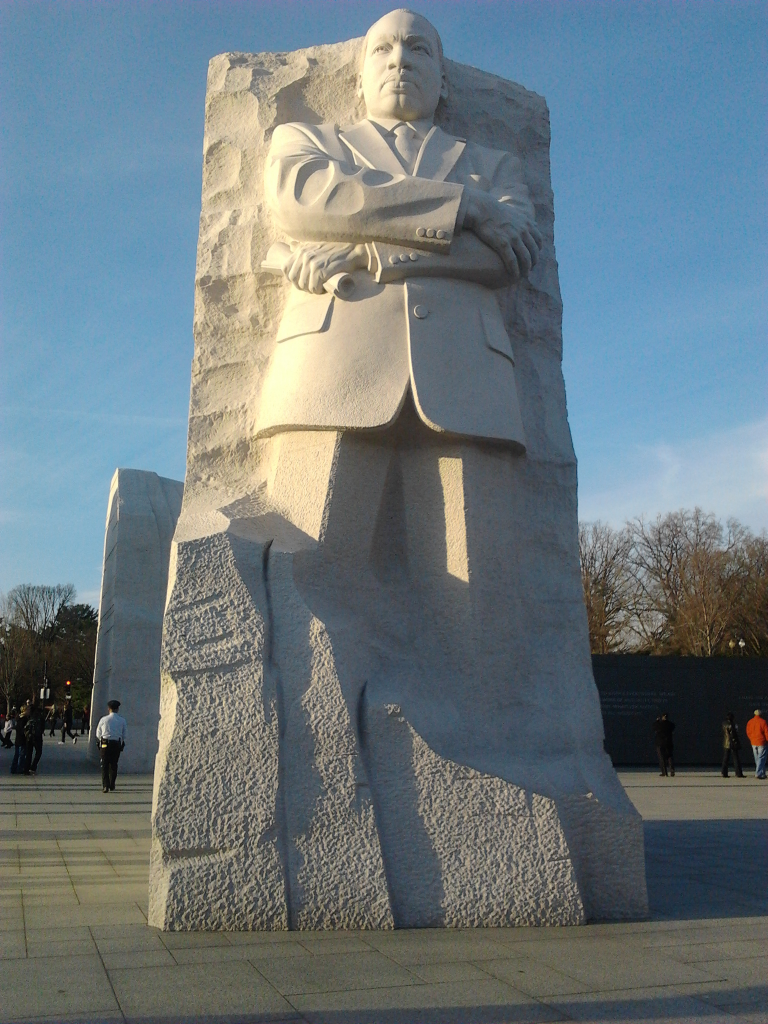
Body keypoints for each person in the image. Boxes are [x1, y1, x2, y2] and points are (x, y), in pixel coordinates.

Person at [95, 699, 127, 792]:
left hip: (105, 744)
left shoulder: (103, 719)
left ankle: (105, 786)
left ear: (109, 709)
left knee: (104, 765)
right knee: (114, 764)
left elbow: (98, 733)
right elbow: (125, 735)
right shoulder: (122, 720)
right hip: (116, 744)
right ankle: (112, 783)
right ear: (117, 709)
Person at [745, 709, 768, 780]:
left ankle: (762, 772)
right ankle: (758, 773)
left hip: (753, 742)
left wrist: (751, 738)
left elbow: (748, 731)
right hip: (762, 742)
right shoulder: (763, 722)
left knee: (757, 758)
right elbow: (766, 732)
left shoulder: (750, 721)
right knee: (762, 758)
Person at [721, 712, 744, 778]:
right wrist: (736, 742)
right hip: (733, 743)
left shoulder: (724, 724)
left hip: (726, 743)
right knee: (736, 758)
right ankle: (738, 773)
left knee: (725, 758)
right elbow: (733, 735)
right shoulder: (732, 725)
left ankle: (724, 772)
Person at [653, 712, 675, 777]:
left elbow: (654, 727)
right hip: (668, 742)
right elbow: (673, 727)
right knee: (670, 756)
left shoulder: (659, 724)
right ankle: (672, 770)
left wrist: (657, 721)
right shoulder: (671, 724)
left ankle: (664, 772)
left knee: (661, 758)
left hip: (660, 743)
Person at [11, 704, 30, 774]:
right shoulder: (24, 719)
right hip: (22, 740)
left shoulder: (19, 718)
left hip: (18, 739)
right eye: (28, 710)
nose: (29, 711)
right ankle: (19, 768)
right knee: (21, 755)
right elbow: (22, 730)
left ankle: (13, 768)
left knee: (17, 755)